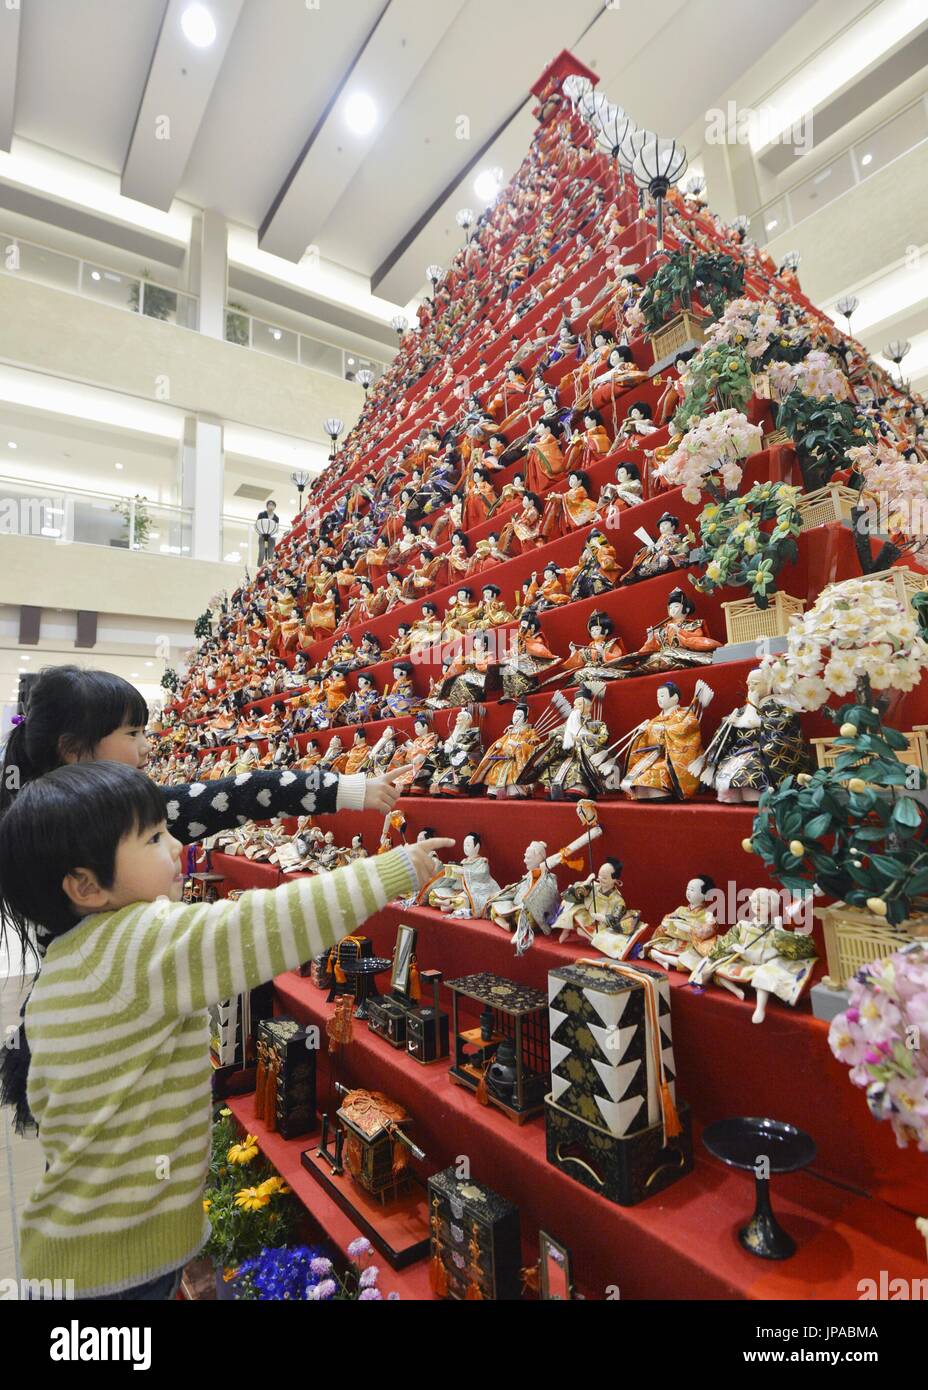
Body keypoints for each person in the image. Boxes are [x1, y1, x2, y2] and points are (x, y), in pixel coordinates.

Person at [0, 760, 452, 1298]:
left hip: (84, 1246)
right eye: (152, 838)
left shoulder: (72, 953)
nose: (175, 848)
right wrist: (388, 872)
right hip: (114, 1264)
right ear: (85, 885)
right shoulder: (135, 940)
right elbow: (260, 925)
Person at [0, 665, 405, 1133]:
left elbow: (243, 794)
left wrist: (351, 790)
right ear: (74, 751)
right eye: (133, 733)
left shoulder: (40, 827)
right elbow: (242, 800)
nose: (148, 748)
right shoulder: (88, 838)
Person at [255, 499, 280, 567]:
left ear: (275, 507)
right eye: (269, 504)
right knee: (261, 553)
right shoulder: (261, 514)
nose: (271, 506)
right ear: (267, 506)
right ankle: (259, 566)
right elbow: (258, 524)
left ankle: (269, 567)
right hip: (262, 536)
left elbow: (276, 528)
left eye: (272, 505)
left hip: (271, 537)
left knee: (271, 554)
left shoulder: (276, 518)